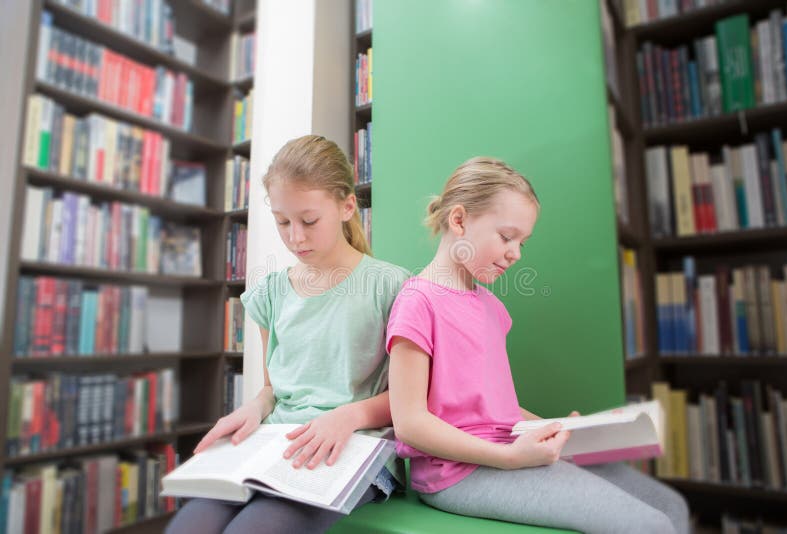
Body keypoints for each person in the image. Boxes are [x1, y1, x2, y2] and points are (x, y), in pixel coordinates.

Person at [386, 156, 689, 534]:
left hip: (508, 451)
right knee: (650, 525)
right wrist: (507, 458)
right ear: (459, 220)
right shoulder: (418, 302)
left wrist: (559, 428)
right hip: (459, 475)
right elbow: (410, 424)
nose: (516, 253)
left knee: (670, 505)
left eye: (522, 242)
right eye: (507, 237)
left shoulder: (492, 307)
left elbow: (496, 410)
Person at [166, 135, 408, 534]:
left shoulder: (391, 286)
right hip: (277, 443)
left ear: (348, 206)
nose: (295, 237)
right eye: (282, 222)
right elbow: (272, 389)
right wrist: (251, 410)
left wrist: (346, 417)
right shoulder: (271, 292)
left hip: (357, 449)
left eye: (309, 221)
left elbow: (411, 398)